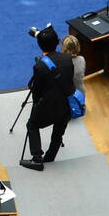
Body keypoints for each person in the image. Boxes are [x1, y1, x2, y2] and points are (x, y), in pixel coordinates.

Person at [21, 26, 74, 171]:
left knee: (32, 125)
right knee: (58, 132)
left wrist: (37, 103)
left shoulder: (40, 66)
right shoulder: (68, 59)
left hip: (48, 108)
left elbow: (36, 92)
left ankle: (37, 159)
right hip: (66, 106)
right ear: (57, 42)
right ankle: (50, 157)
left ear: (39, 46)